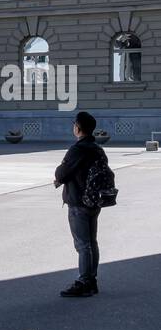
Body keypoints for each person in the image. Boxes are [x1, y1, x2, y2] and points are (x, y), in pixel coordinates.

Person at [54, 110, 107, 297]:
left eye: (74, 124)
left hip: (78, 202)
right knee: (92, 242)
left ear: (78, 128)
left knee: (83, 245)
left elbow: (61, 174)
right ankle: (92, 281)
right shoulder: (97, 148)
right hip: (94, 201)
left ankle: (84, 282)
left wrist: (60, 170)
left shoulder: (77, 149)